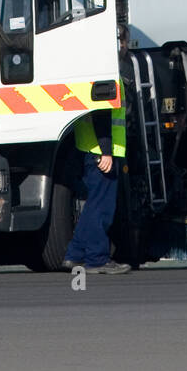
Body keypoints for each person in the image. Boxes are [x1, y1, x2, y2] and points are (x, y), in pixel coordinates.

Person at [62, 74, 129, 274]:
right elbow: (102, 113)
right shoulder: (107, 72)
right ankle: (97, 259)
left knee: (93, 206)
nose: (124, 46)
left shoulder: (90, 72)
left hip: (90, 148)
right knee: (102, 209)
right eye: (123, 41)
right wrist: (105, 151)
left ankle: (75, 254)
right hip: (101, 152)